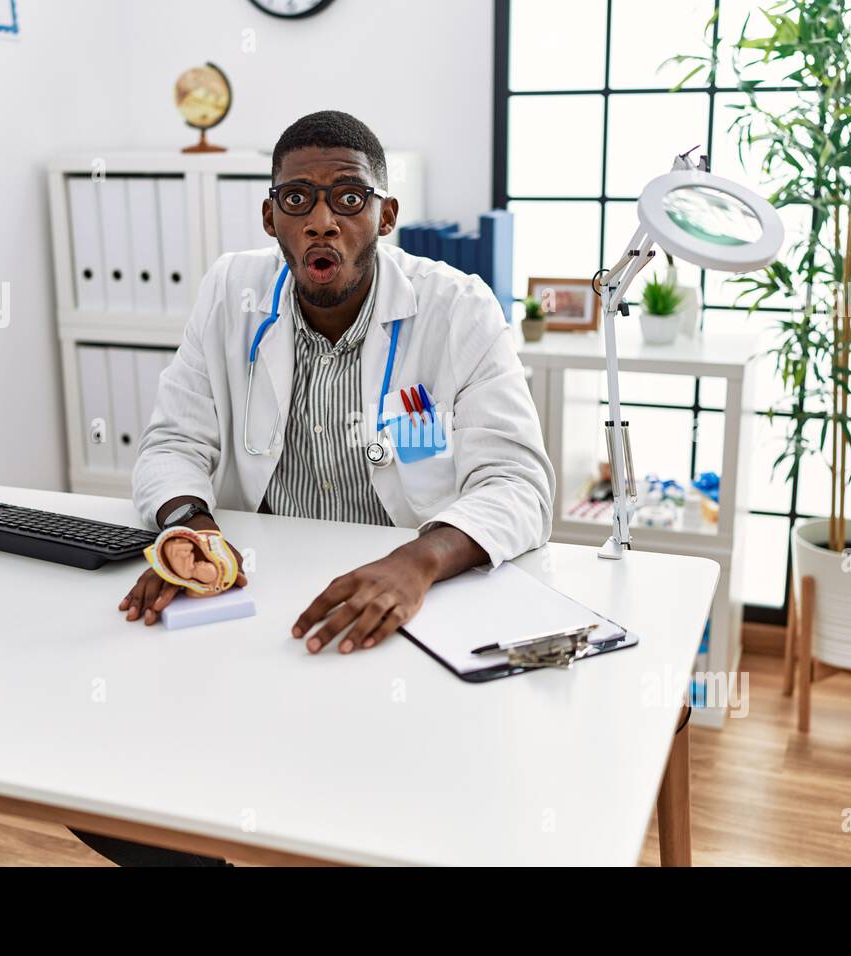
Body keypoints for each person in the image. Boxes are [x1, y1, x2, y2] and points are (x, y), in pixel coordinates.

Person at [75, 110, 554, 866]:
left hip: (408, 615)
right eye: (298, 200)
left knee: (400, 809)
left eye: (349, 198)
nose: (323, 220)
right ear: (270, 216)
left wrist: (418, 562)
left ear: (386, 214)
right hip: (257, 608)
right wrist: (190, 524)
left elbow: (518, 482)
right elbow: (173, 442)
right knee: (112, 783)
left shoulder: (458, 309)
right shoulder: (229, 293)